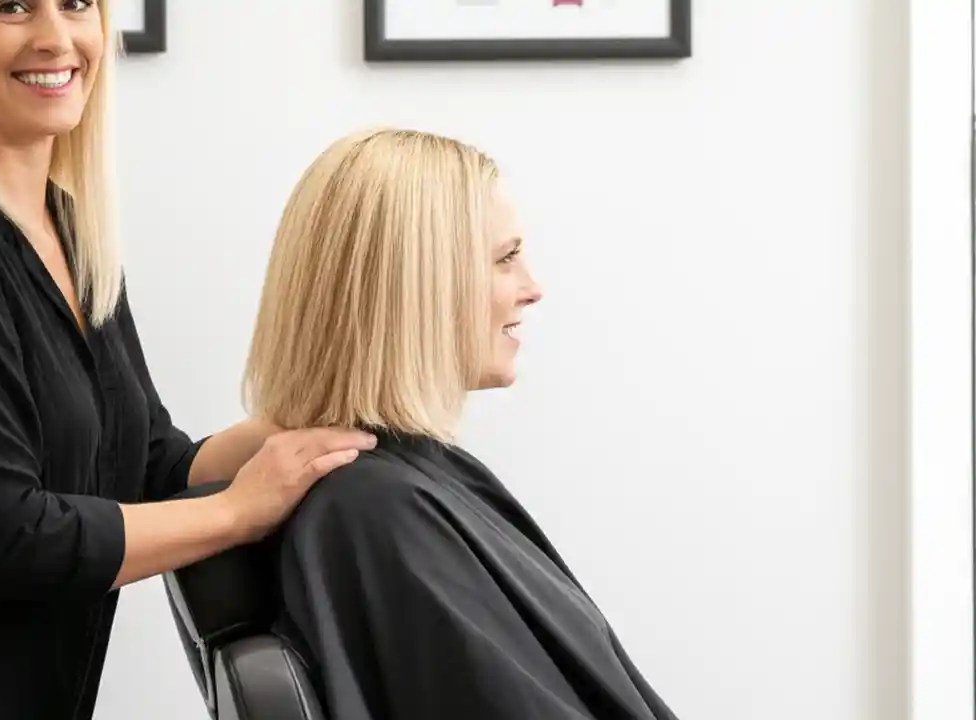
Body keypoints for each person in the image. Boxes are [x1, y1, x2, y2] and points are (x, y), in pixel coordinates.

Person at [0, 2, 375, 718]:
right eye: (13, 6)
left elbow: (150, 464)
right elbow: (10, 541)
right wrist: (239, 512)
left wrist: (296, 429)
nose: (56, 38)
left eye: (77, 5)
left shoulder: (69, 231)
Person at [243, 129, 681, 720]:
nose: (533, 288)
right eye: (505, 259)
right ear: (416, 288)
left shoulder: (403, 488)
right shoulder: (381, 512)